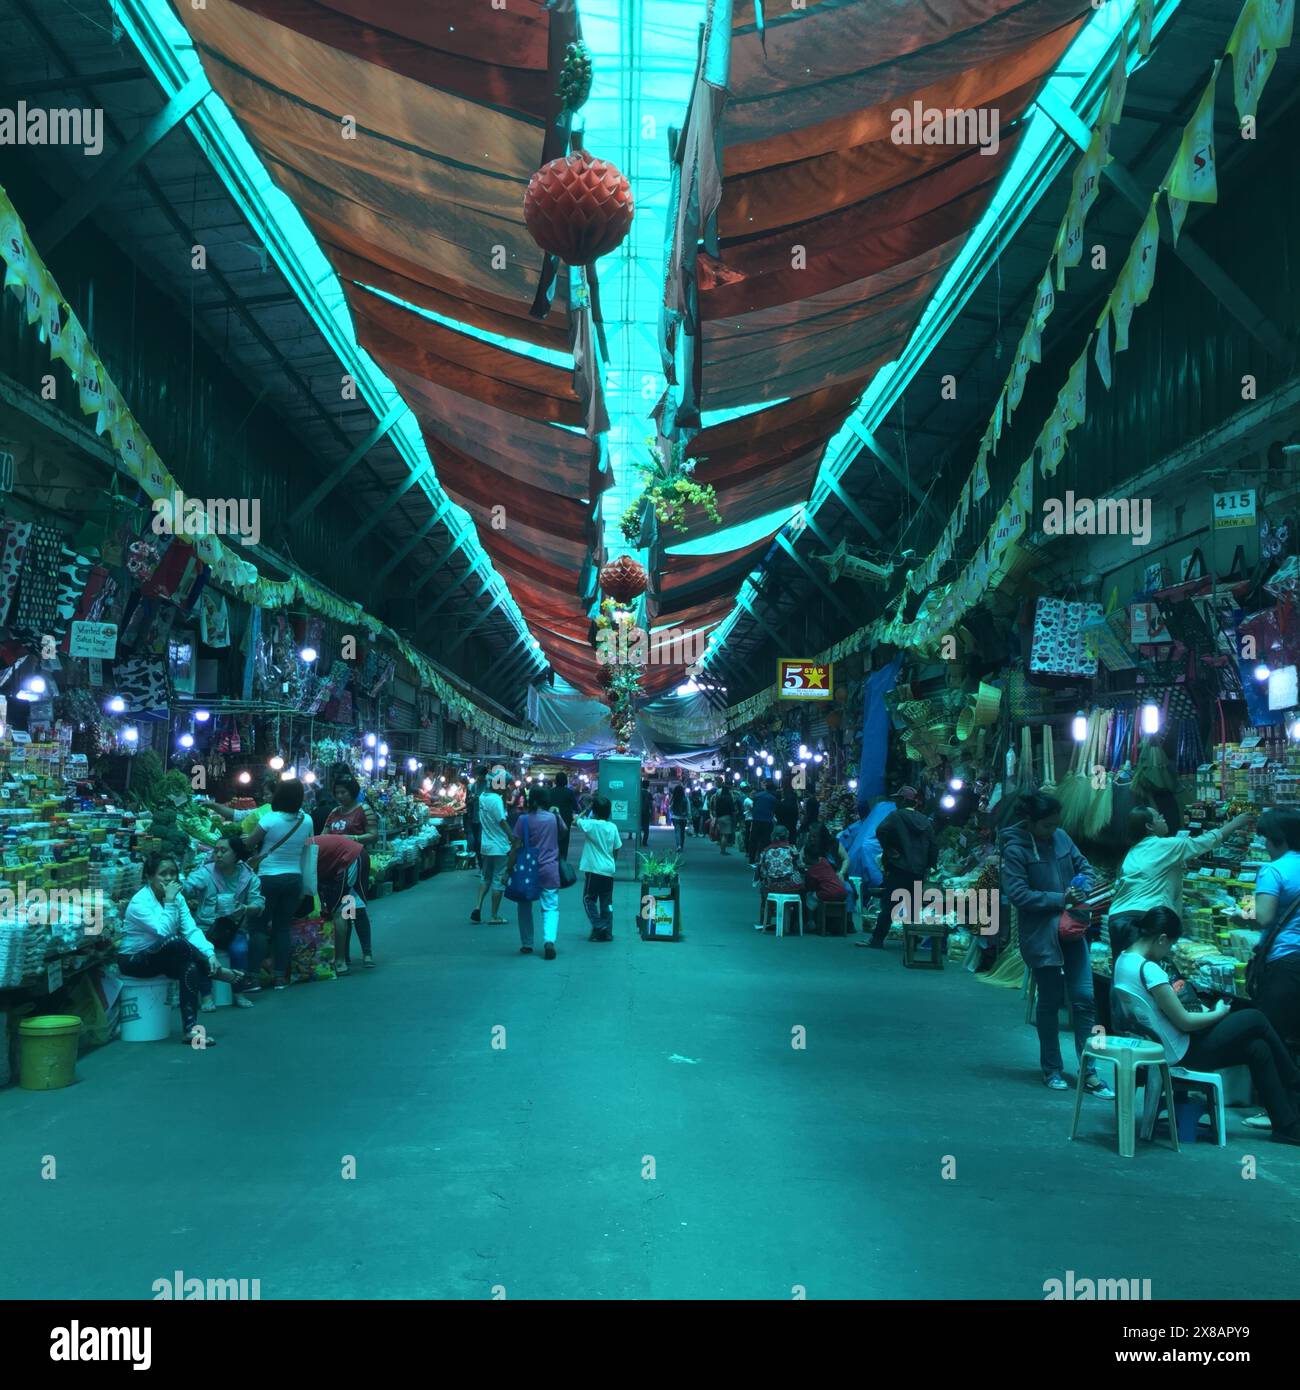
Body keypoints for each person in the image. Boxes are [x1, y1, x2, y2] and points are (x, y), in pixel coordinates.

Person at [1113, 907, 1300, 1145]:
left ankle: (1286, 1125)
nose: (1168, 951)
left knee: (1258, 1048)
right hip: (1181, 1052)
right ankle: (1295, 1080)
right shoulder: (1149, 970)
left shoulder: (1123, 960)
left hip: (1163, 1045)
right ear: (1161, 939)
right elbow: (1186, 1022)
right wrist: (1218, 1013)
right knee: (1255, 1017)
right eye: (1169, 945)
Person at [1000, 792, 1112, 1096]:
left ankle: (1089, 1071)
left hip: (1073, 929)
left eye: (1055, 824)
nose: (1053, 830)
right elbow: (1019, 895)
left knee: (1085, 998)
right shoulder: (1014, 850)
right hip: (1041, 935)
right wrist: (1060, 898)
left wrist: (1080, 887)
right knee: (1049, 1002)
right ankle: (1052, 1068)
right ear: (1031, 822)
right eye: (1047, 826)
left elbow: (1084, 868)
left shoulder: (1062, 837)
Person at [120, 853, 252, 1046]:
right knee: (174, 940)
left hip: (162, 958)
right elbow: (163, 932)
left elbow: (191, 930)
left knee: (189, 966)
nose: (169, 878)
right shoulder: (140, 902)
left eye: (173, 873)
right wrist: (170, 900)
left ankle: (191, 1031)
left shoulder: (177, 898)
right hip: (134, 961)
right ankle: (217, 973)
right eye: (162, 874)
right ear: (149, 877)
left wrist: (210, 953)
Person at [1107, 806, 1252, 958]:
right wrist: (1236, 822)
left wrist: (1187, 892)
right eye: (1158, 817)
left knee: (1125, 971)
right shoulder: (1163, 845)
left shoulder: (1134, 851)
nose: (1163, 818)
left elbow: (1144, 882)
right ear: (1149, 826)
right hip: (1143, 918)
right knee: (1143, 971)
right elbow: (1203, 842)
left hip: (1118, 917)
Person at [242, 779, 314, 991]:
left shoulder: (270, 819)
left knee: (259, 928)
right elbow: (308, 847)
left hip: (268, 878)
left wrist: (246, 838)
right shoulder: (307, 820)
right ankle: (280, 977)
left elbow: (249, 842)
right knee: (283, 927)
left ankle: (253, 978)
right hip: (294, 878)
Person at [182, 837, 265, 1011]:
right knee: (202, 953)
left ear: (236, 855)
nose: (218, 854)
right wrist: (181, 884)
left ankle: (239, 992)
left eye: (223, 851)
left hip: (234, 928)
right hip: (207, 927)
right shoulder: (206, 872)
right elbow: (188, 888)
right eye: (216, 850)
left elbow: (259, 904)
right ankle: (206, 995)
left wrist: (244, 908)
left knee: (240, 950)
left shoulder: (249, 877)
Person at [1248, 808, 1300, 1045]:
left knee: (1274, 1036)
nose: (1265, 845)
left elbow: (1263, 917)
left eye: (1266, 838)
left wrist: (1239, 913)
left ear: (1278, 838)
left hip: (1285, 960)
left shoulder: (1273, 870)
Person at [868, 786, 936, 949]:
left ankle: (877, 940)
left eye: (898, 799)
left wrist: (891, 851)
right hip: (918, 871)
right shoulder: (925, 820)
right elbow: (933, 845)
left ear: (904, 801)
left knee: (889, 905)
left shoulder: (896, 816)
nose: (896, 802)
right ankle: (911, 941)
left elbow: (880, 831)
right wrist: (929, 866)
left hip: (899, 868)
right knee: (914, 906)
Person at [506, 786, 562, 959]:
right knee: (550, 907)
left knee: (524, 906)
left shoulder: (523, 820)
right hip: (549, 868)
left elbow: (515, 847)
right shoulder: (553, 818)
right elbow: (564, 831)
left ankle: (527, 944)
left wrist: (508, 870)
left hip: (527, 870)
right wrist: (557, 813)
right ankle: (549, 940)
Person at [311, 832, 374, 973]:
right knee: (349, 906)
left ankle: (341, 962)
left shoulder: (300, 852)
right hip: (349, 858)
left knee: (340, 910)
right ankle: (348, 955)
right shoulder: (302, 846)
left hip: (350, 859)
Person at [577, 794, 621, 942]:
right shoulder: (613, 827)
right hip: (608, 870)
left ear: (594, 811)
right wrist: (611, 862)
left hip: (593, 871)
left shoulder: (590, 825)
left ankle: (598, 924)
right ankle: (607, 932)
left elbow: (576, 820)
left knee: (588, 899)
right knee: (607, 903)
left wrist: (586, 809)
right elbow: (616, 848)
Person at [471, 772, 511, 926]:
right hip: (500, 846)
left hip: (486, 846)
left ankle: (477, 907)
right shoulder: (496, 799)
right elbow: (502, 821)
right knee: (498, 879)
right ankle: (494, 915)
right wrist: (512, 837)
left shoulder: (482, 797)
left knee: (485, 877)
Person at [755, 824, 804, 930]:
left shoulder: (765, 851)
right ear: (786, 836)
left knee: (763, 889)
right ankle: (795, 922)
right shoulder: (792, 849)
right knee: (803, 889)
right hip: (790, 887)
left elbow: (762, 873)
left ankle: (764, 921)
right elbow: (800, 866)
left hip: (771, 887)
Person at [804, 842, 849, 919]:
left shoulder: (811, 871)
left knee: (809, 897)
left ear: (807, 856)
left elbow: (810, 887)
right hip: (842, 892)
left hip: (828, 893)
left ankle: (810, 921)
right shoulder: (824, 860)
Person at [550, 772, 578, 861]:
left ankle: (553, 859)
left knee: (553, 840)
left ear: (556, 781)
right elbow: (575, 806)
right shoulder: (569, 792)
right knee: (564, 842)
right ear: (566, 781)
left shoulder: (550, 791)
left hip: (552, 820)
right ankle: (563, 861)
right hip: (566, 821)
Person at [750, 782, 776, 866]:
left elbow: (753, 806)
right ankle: (762, 859)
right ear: (772, 789)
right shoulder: (773, 798)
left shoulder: (757, 795)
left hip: (756, 820)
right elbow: (774, 810)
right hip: (767, 821)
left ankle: (751, 859)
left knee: (754, 840)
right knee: (765, 841)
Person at [709, 783, 737, 856]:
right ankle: (723, 851)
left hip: (719, 817)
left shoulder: (719, 798)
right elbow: (732, 809)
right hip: (727, 817)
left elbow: (716, 809)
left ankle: (722, 850)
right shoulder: (729, 798)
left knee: (722, 834)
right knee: (725, 835)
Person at [670, 782, 690, 853]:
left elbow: (670, 807)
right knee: (682, 832)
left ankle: (678, 845)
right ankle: (681, 845)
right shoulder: (685, 798)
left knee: (677, 832)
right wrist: (689, 816)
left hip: (675, 817)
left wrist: (671, 812)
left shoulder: (674, 798)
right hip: (683, 818)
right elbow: (688, 808)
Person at [640, 782, 653, 847]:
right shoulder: (649, 794)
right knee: (646, 828)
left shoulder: (639, 793)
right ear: (648, 786)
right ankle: (644, 842)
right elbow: (651, 804)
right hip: (646, 813)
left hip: (639, 812)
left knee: (638, 826)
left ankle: (639, 840)